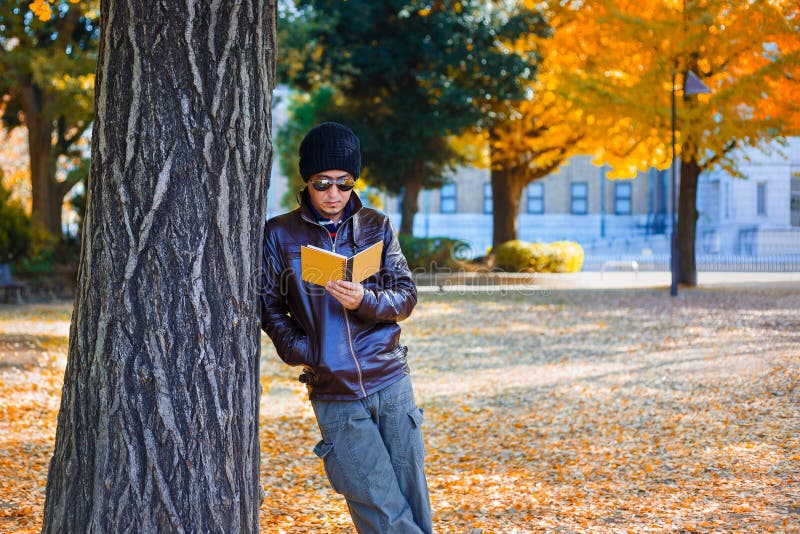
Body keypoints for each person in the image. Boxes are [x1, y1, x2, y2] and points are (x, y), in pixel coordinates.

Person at [260, 121, 432, 533]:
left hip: (390, 382)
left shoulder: (377, 225)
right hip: (334, 390)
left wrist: (366, 301)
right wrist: (309, 352)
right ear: (308, 181)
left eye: (344, 183)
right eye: (323, 183)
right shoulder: (280, 234)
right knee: (379, 505)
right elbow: (268, 306)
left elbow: (405, 295)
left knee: (412, 497)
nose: (334, 194)